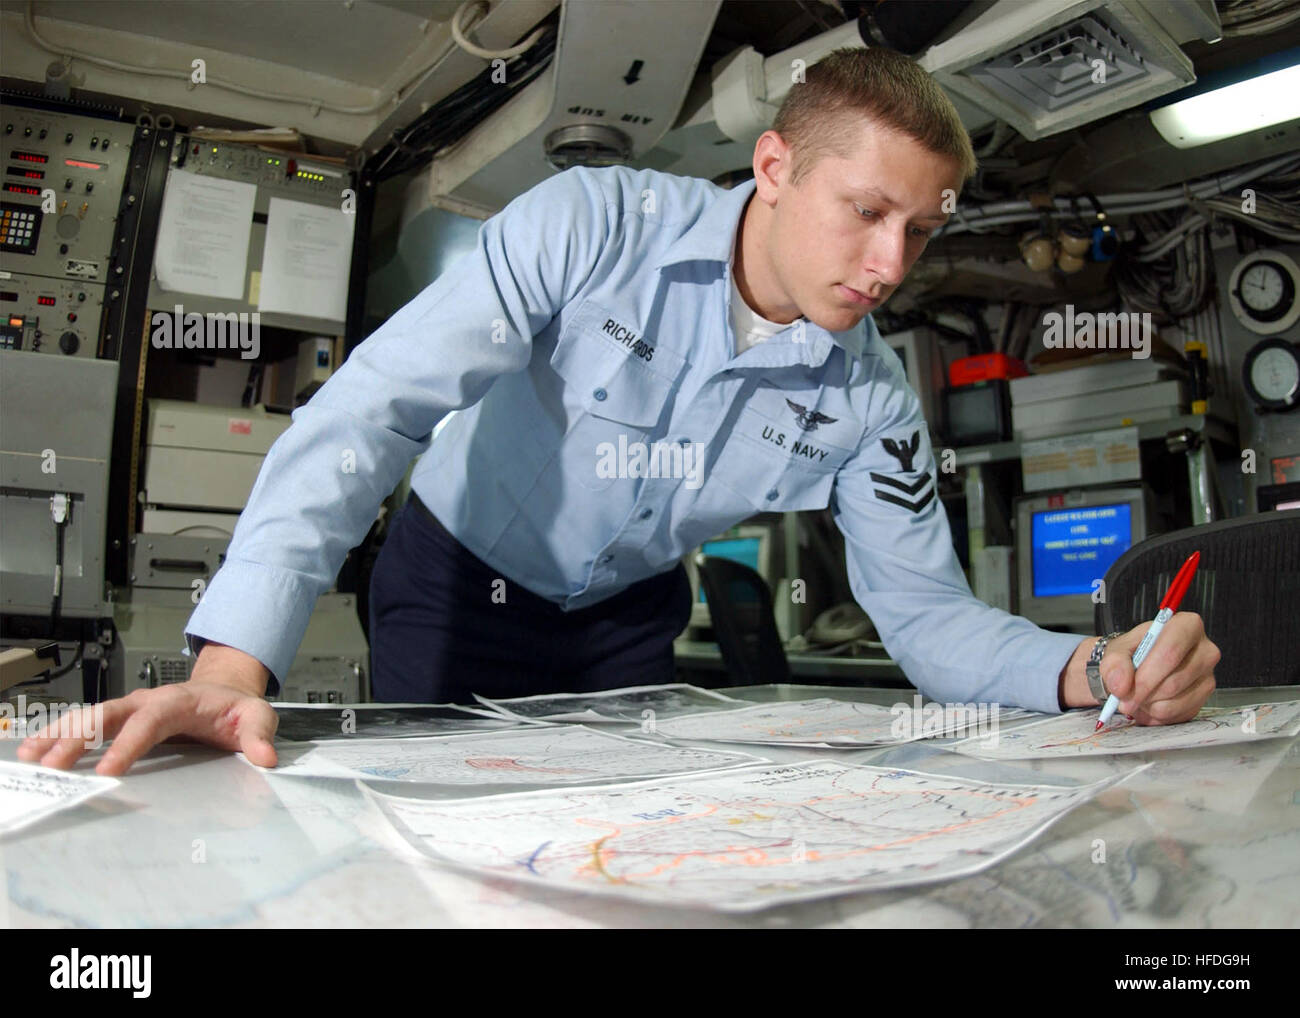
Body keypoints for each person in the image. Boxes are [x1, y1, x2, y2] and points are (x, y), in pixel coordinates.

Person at [20, 47, 1218, 777]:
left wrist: (1089, 664)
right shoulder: (591, 227)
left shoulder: (871, 398)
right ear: (773, 169)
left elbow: (926, 620)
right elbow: (369, 416)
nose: (891, 259)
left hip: (627, 622)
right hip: (452, 581)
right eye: (864, 211)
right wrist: (235, 669)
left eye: (920, 226)